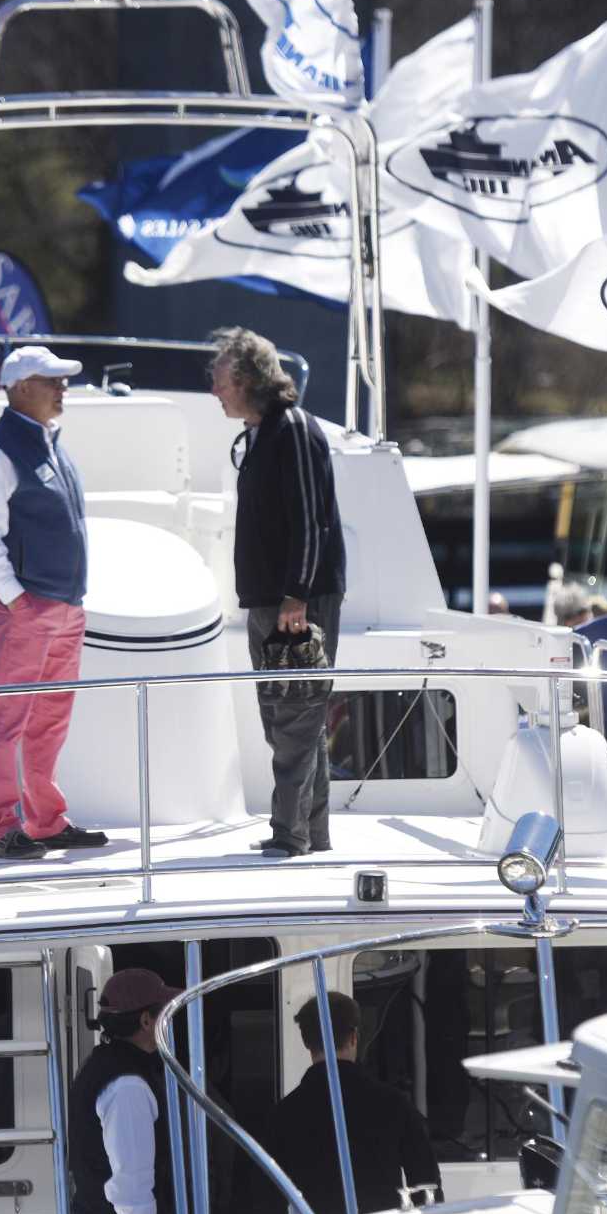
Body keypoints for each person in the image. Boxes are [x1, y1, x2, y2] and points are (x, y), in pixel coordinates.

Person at [0, 344, 111, 861]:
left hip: (64, 605)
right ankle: (2, 827)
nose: (62, 388)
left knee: (50, 717)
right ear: (22, 387)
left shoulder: (48, 443)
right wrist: (18, 600)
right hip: (28, 607)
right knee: (11, 719)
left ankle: (45, 821)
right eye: (52, 380)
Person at [211, 327, 346, 858]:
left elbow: (313, 523)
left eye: (218, 378)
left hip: (294, 603)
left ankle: (290, 836)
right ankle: (311, 834)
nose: (214, 390)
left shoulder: (291, 429)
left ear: (245, 378)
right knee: (293, 719)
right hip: (276, 599)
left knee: (294, 718)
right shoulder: (267, 430)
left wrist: (297, 595)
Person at [269, 992, 439, 1214]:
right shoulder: (393, 1104)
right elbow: (427, 1186)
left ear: (306, 1041)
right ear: (354, 1037)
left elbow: (267, 1208)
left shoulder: (285, 1115)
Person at [68, 967, 180, 1214]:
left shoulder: (102, 1065)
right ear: (146, 1020)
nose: (171, 1022)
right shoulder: (129, 1085)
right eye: (166, 1014)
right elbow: (131, 1187)